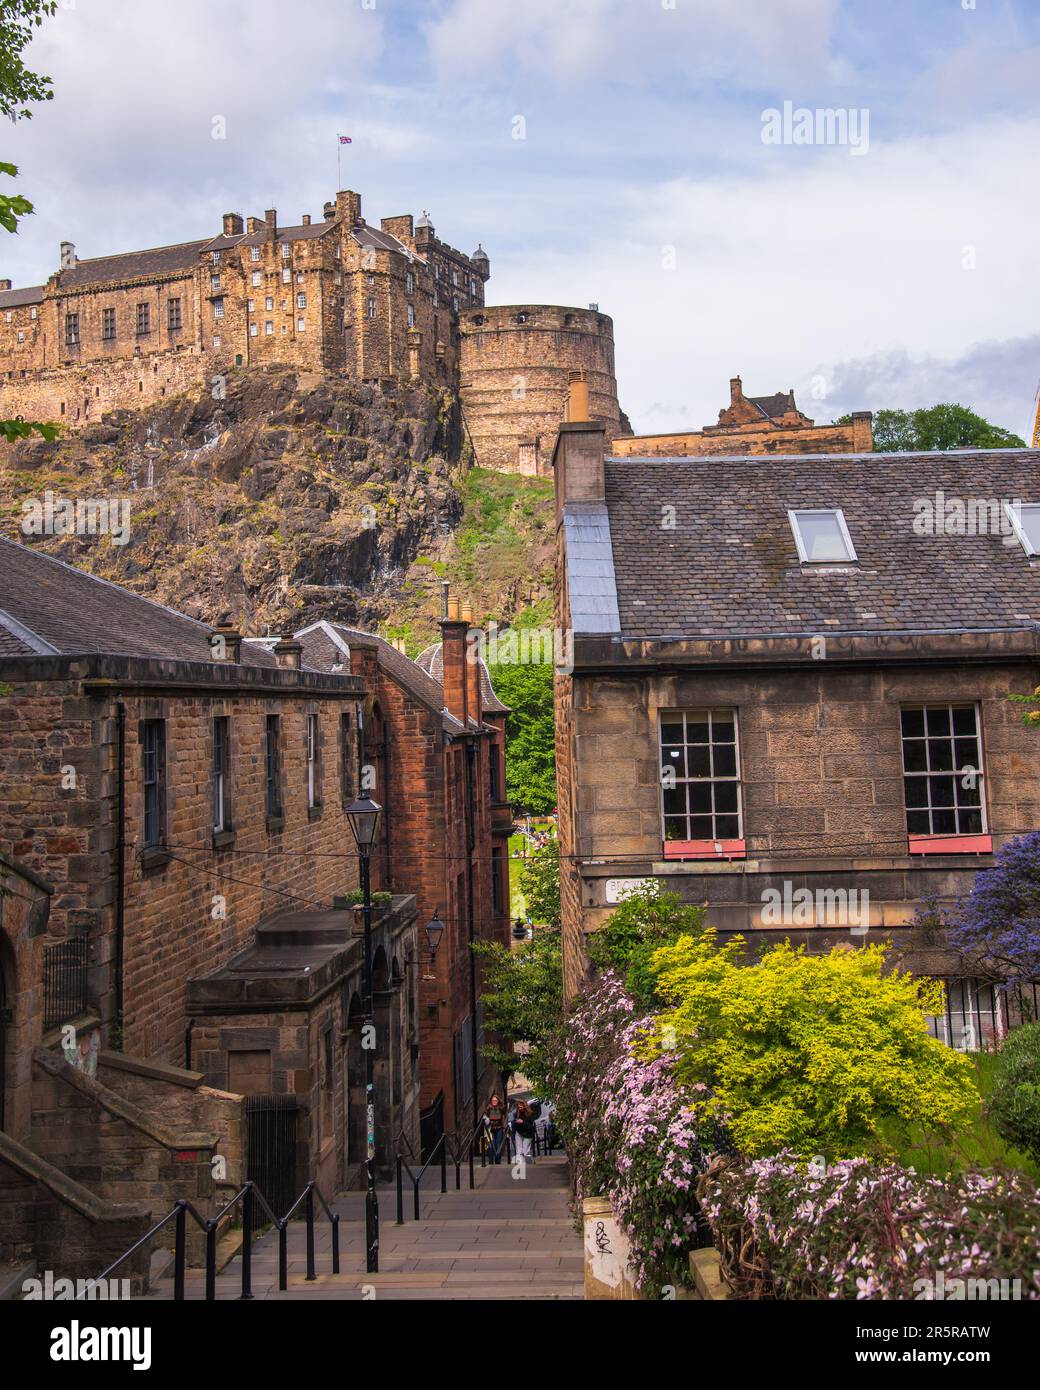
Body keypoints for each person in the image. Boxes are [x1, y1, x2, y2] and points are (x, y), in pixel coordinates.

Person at [512, 1099, 537, 1163]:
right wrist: (513, 1134)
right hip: (519, 1132)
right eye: (518, 1107)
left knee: (525, 1150)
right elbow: (514, 1125)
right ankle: (519, 1164)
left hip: (528, 1133)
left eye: (521, 1106)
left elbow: (530, 1126)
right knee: (519, 1150)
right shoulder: (516, 1114)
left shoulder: (530, 1114)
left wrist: (522, 1122)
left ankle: (528, 1163)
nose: (520, 1108)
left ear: (525, 1106)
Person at [484, 1093, 506, 1164]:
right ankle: (490, 1161)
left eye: (495, 1100)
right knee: (490, 1146)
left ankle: (497, 1161)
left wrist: (505, 1126)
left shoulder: (501, 1108)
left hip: (499, 1129)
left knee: (498, 1145)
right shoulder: (489, 1108)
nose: (494, 1102)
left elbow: (505, 1117)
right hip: (491, 1129)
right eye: (493, 1100)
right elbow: (485, 1116)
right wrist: (486, 1120)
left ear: (498, 1101)